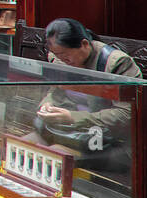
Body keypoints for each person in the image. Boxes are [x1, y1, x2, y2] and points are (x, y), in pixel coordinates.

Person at [29, 18, 139, 159]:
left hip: (104, 140)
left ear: (84, 44)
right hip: (69, 132)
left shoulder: (116, 63)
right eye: (57, 55)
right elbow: (55, 91)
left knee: (52, 156)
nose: (62, 60)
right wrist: (48, 104)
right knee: (25, 144)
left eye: (65, 55)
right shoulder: (59, 59)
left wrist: (72, 117)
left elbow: (127, 114)